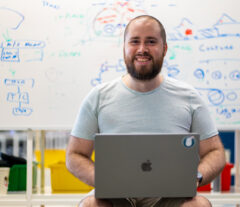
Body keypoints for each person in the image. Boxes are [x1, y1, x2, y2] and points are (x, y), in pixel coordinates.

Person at [66, 15, 226, 207]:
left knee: (198, 205)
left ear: (164, 49)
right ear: (124, 47)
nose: (142, 49)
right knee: (90, 205)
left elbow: (215, 152)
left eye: (151, 41)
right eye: (135, 41)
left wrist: (196, 176)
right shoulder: (98, 97)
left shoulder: (189, 97)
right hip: (116, 196)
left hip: (170, 196)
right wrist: (104, 182)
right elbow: (74, 155)